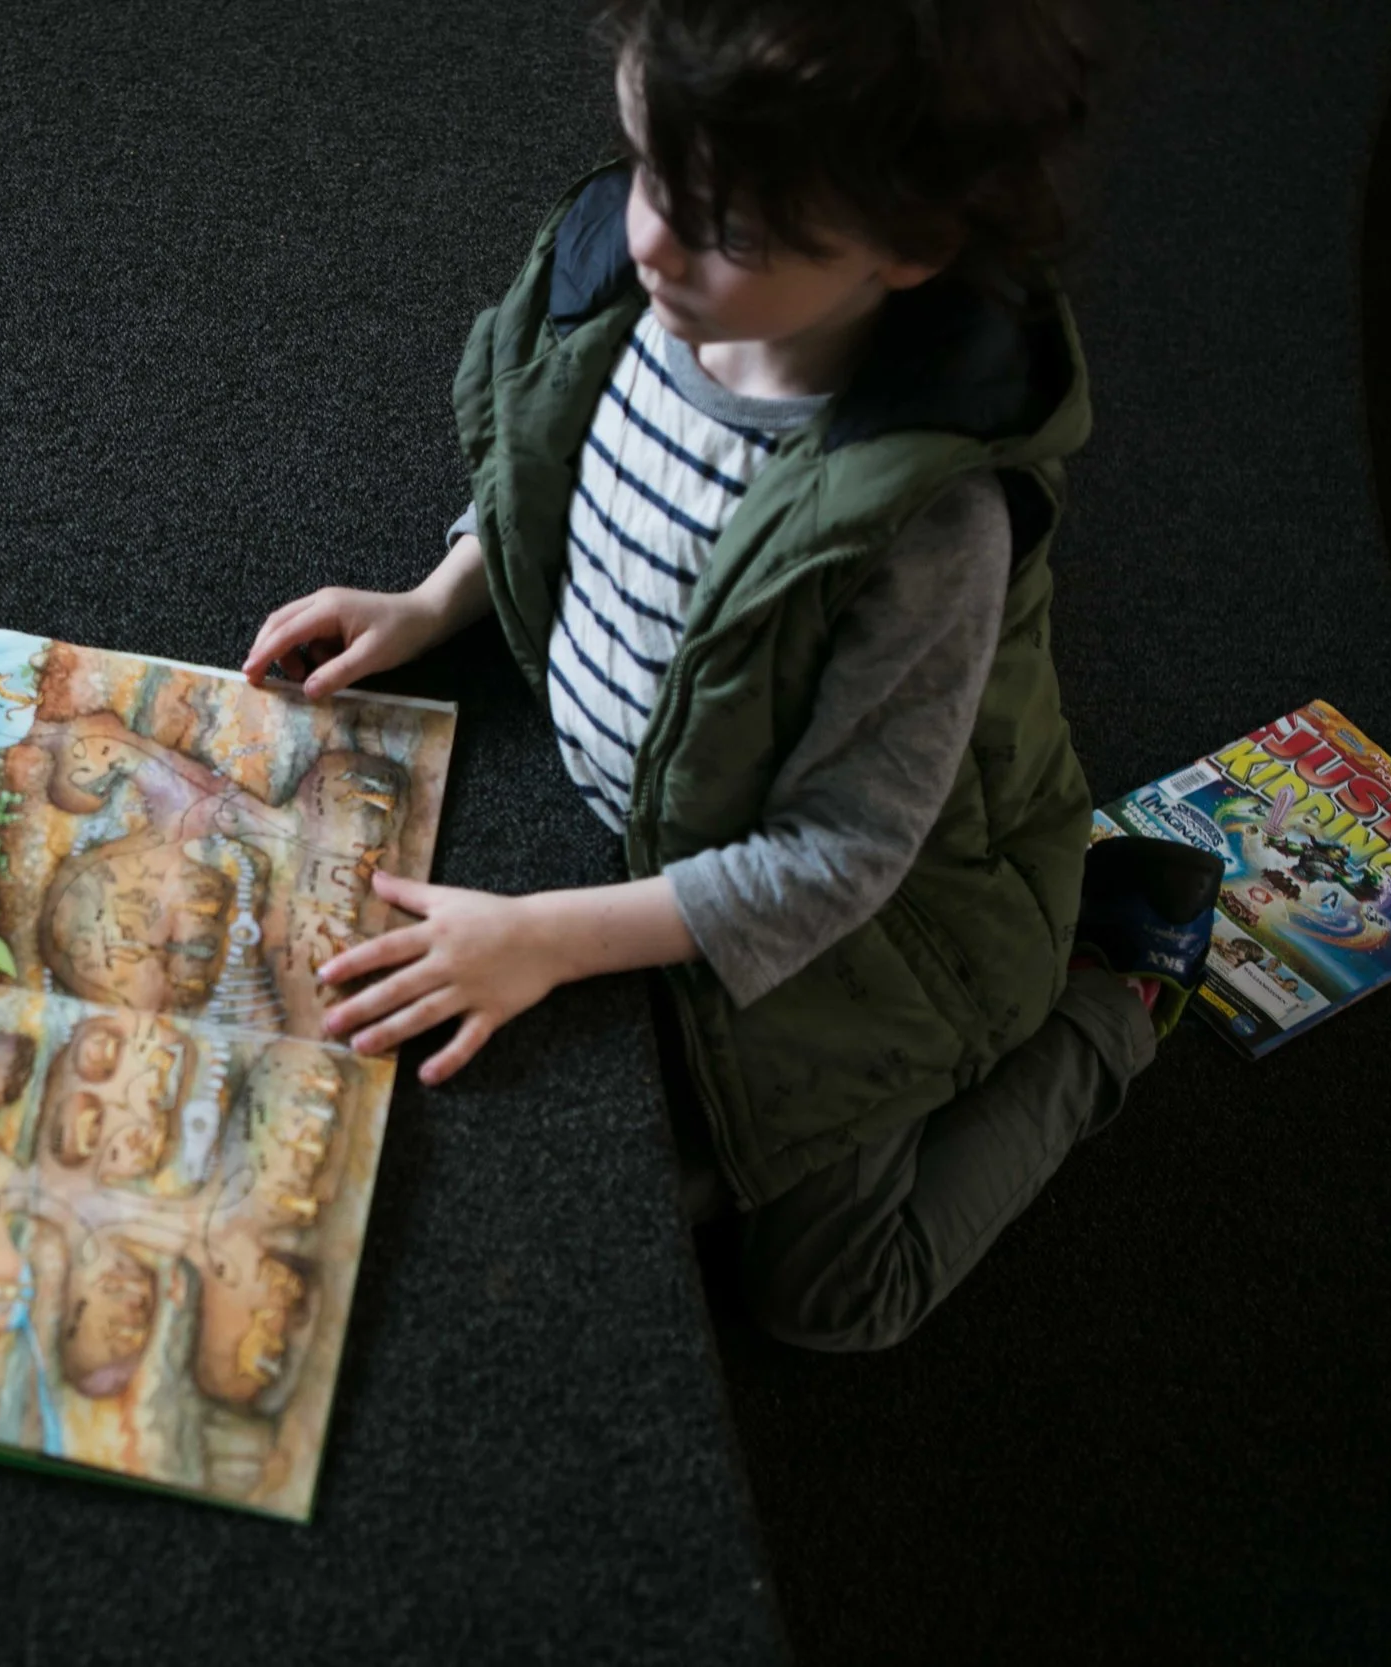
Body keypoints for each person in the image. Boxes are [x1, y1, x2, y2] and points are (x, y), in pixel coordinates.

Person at [242, 0, 1221, 1351]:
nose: (654, 239)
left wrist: (543, 937)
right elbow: (551, 478)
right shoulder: (649, 285)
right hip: (689, 823)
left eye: (734, 231)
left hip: (893, 935)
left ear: (910, 247)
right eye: (652, 167)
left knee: (825, 1298)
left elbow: (838, 859)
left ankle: (1114, 992)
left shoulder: (927, 532)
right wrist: (437, 596)